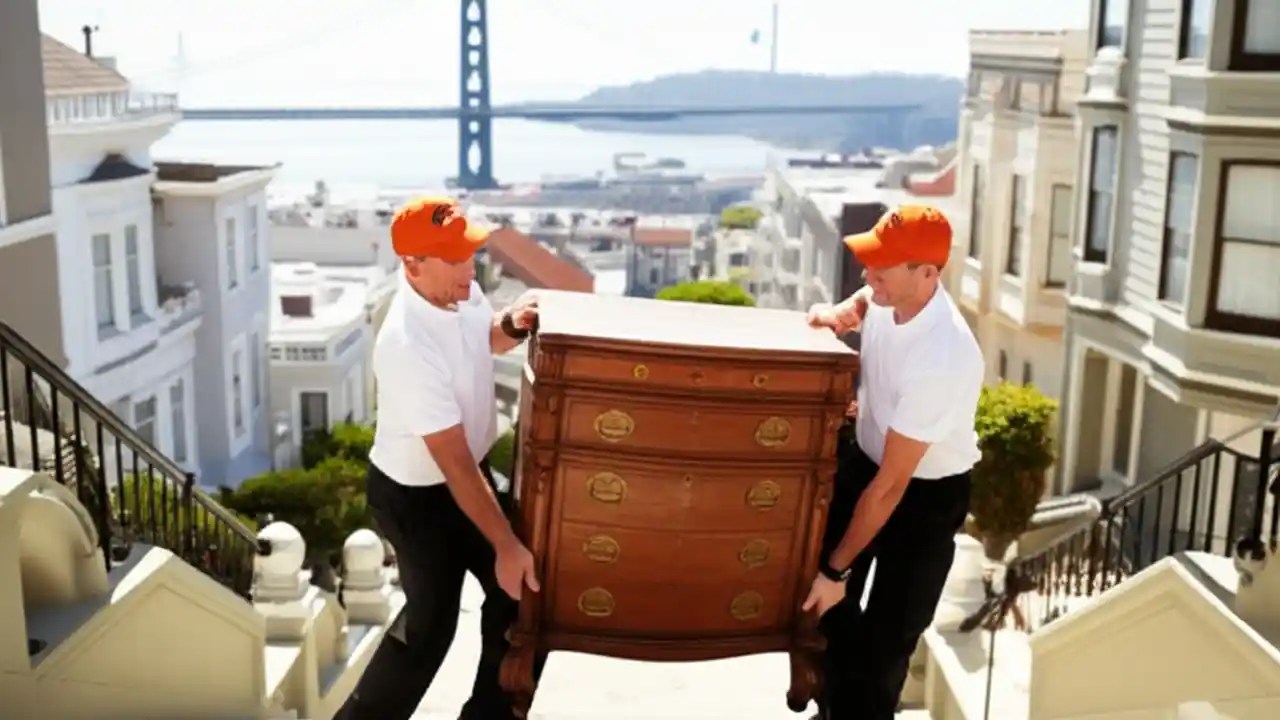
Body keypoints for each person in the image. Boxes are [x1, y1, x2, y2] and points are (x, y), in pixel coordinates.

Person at [337, 196, 541, 720]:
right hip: (414, 499)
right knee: (430, 630)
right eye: (454, 258)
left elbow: (482, 338)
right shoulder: (406, 344)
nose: (469, 266)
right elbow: (454, 465)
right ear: (413, 265)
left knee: (521, 595)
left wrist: (512, 325)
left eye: (468, 252)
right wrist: (506, 545)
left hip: (466, 476)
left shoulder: (460, 290)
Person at [801, 205, 983, 719]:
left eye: (883, 268)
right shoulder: (887, 297)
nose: (868, 275)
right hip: (866, 464)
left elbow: (889, 489)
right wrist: (846, 310)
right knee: (822, 617)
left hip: (924, 499)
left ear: (927, 274)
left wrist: (835, 571)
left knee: (886, 648)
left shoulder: (943, 357)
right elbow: (867, 298)